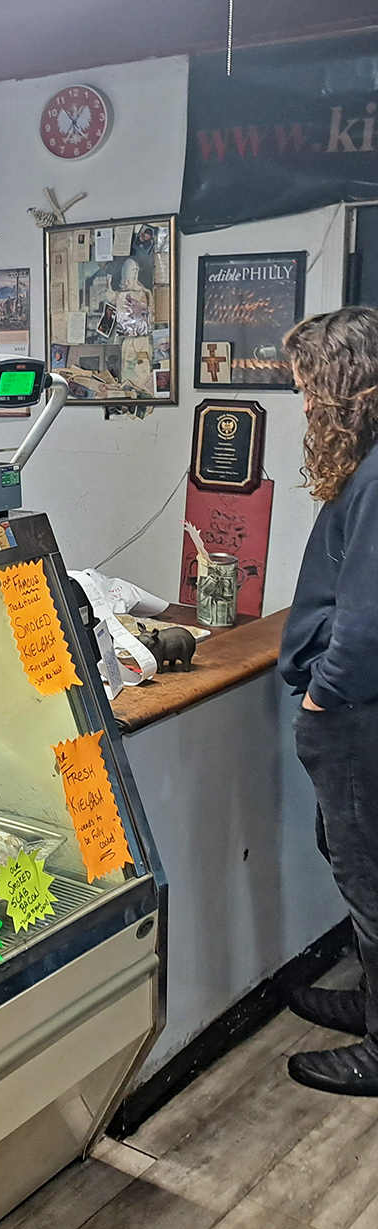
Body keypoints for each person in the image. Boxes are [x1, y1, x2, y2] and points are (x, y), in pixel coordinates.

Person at [280, 306, 378, 1095]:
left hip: (354, 714)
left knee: (368, 876)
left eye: (310, 387)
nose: (305, 404)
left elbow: (367, 618)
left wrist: (322, 699)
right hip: (351, 708)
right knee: (353, 860)